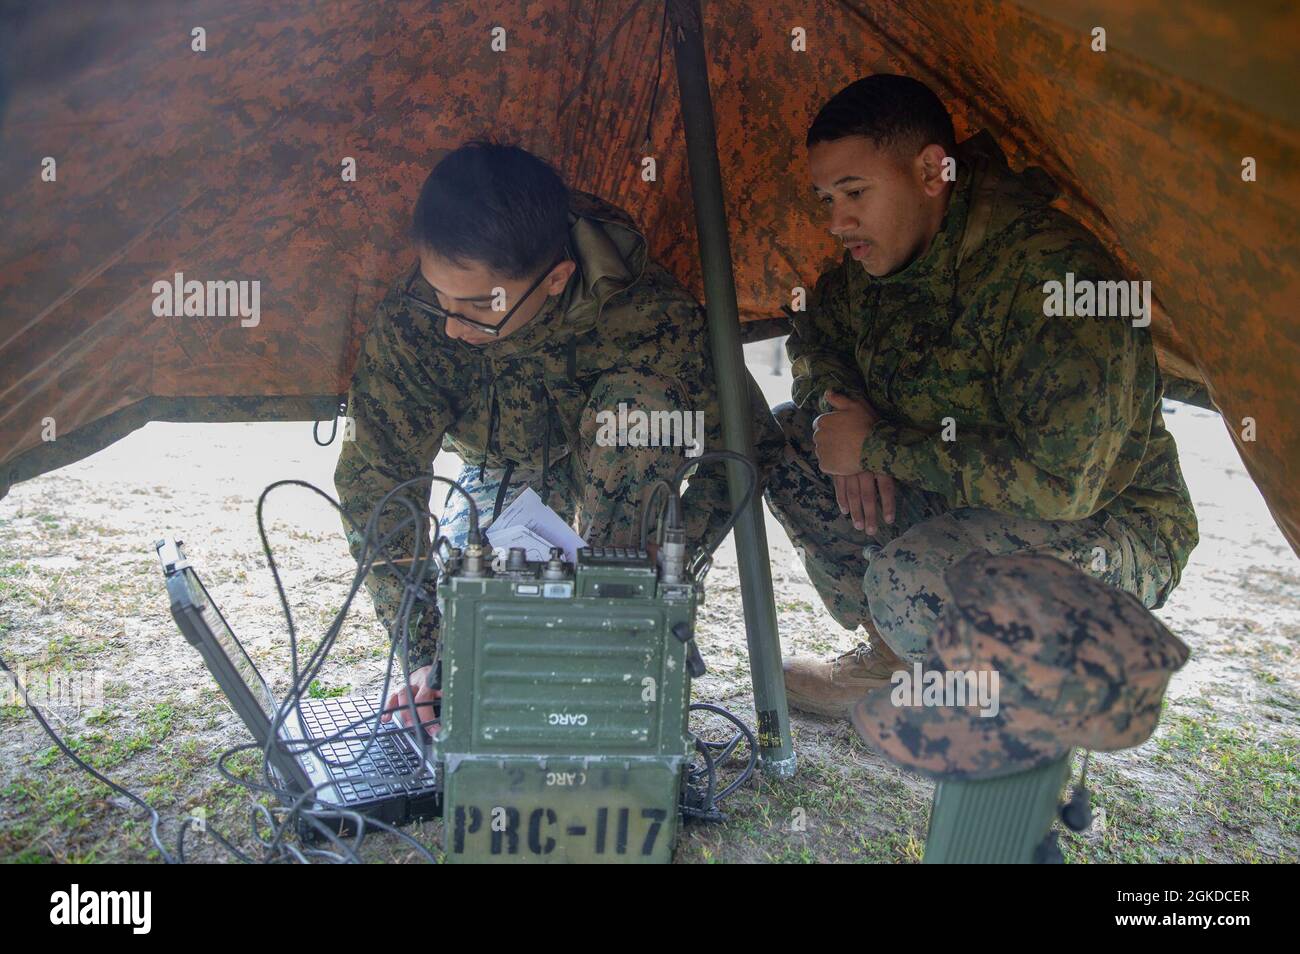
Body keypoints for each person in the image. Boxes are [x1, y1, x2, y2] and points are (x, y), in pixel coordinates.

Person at [766, 75, 1198, 718]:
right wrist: (840, 409)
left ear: (931, 172)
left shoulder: (1053, 275)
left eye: (855, 192)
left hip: (1106, 525)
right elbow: (816, 333)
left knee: (912, 582)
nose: (837, 222)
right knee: (786, 443)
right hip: (969, 500)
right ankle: (899, 660)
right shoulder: (878, 262)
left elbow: (1064, 483)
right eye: (827, 198)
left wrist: (878, 445)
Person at [335, 141, 780, 733]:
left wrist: (666, 557)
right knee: (480, 637)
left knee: (637, 413)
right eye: (436, 291)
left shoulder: (650, 316)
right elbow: (377, 477)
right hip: (504, 479)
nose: (450, 322)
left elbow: (741, 450)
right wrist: (427, 655)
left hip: (623, 499)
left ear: (557, 279)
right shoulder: (414, 320)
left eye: (474, 306)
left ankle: (615, 624)